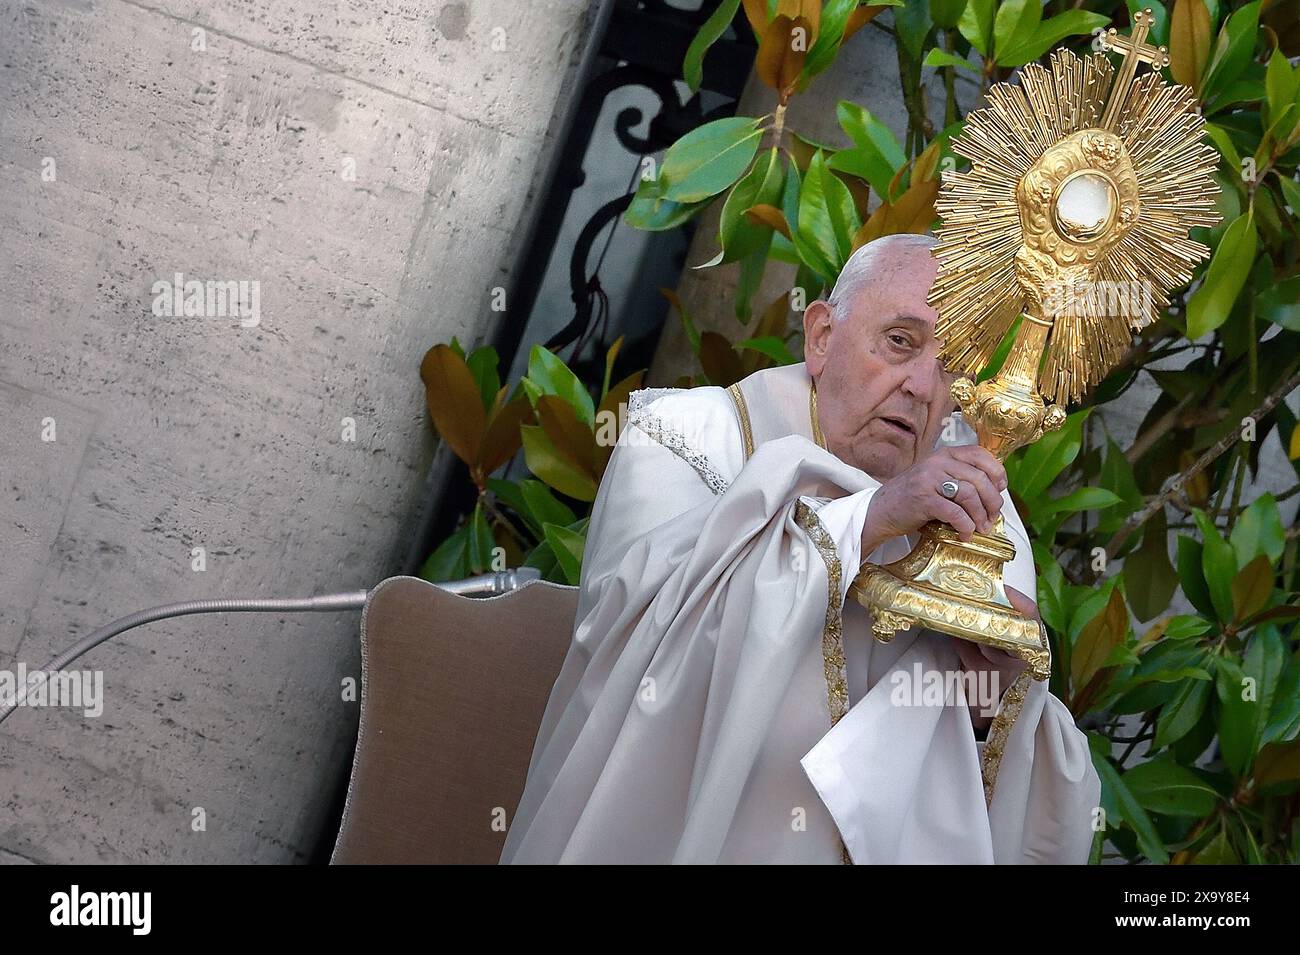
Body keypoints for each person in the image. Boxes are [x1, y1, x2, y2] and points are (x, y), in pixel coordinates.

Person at [500, 233, 1101, 864]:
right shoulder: (683, 436)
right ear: (820, 336)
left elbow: (980, 780)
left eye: (953, 360)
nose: (923, 385)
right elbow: (639, 642)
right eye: (901, 341)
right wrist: (869, 518)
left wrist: (999, 692)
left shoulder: (980, 516)